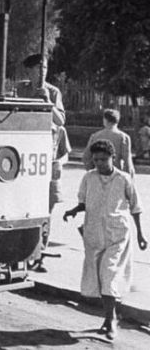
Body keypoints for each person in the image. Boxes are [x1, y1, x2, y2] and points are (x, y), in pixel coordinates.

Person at [63, 140, 146, 341]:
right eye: (96, 160)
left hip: (117, 236)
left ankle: (110, 321)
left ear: (113, 158)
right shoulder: (88, 178)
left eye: (103, 159)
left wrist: (141, 235)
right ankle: (110, 316)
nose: (99, 163)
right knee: (100, 279)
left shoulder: (124, 179)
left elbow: (135, 208)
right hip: (94, 236)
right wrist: (74, 210)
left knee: (108, 275)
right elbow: (83, 202)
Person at [17, 53, 71, 272]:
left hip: (44, 156)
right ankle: (20, 254)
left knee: (45, 208)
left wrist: (47, 102)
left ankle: (41, 255)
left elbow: (61, 120)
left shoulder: (53, 91)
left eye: (45, 68)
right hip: (22, 153)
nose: (42, 72)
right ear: (29, 71)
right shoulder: (21, 89)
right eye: (38, 68)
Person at [82, 109, 135, 177]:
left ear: (105, 120)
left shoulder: (95, 136)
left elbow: (86, 157)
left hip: (98, 173)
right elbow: (127, 161)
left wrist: (91, 170)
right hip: (116, 174)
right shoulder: (124, 137)